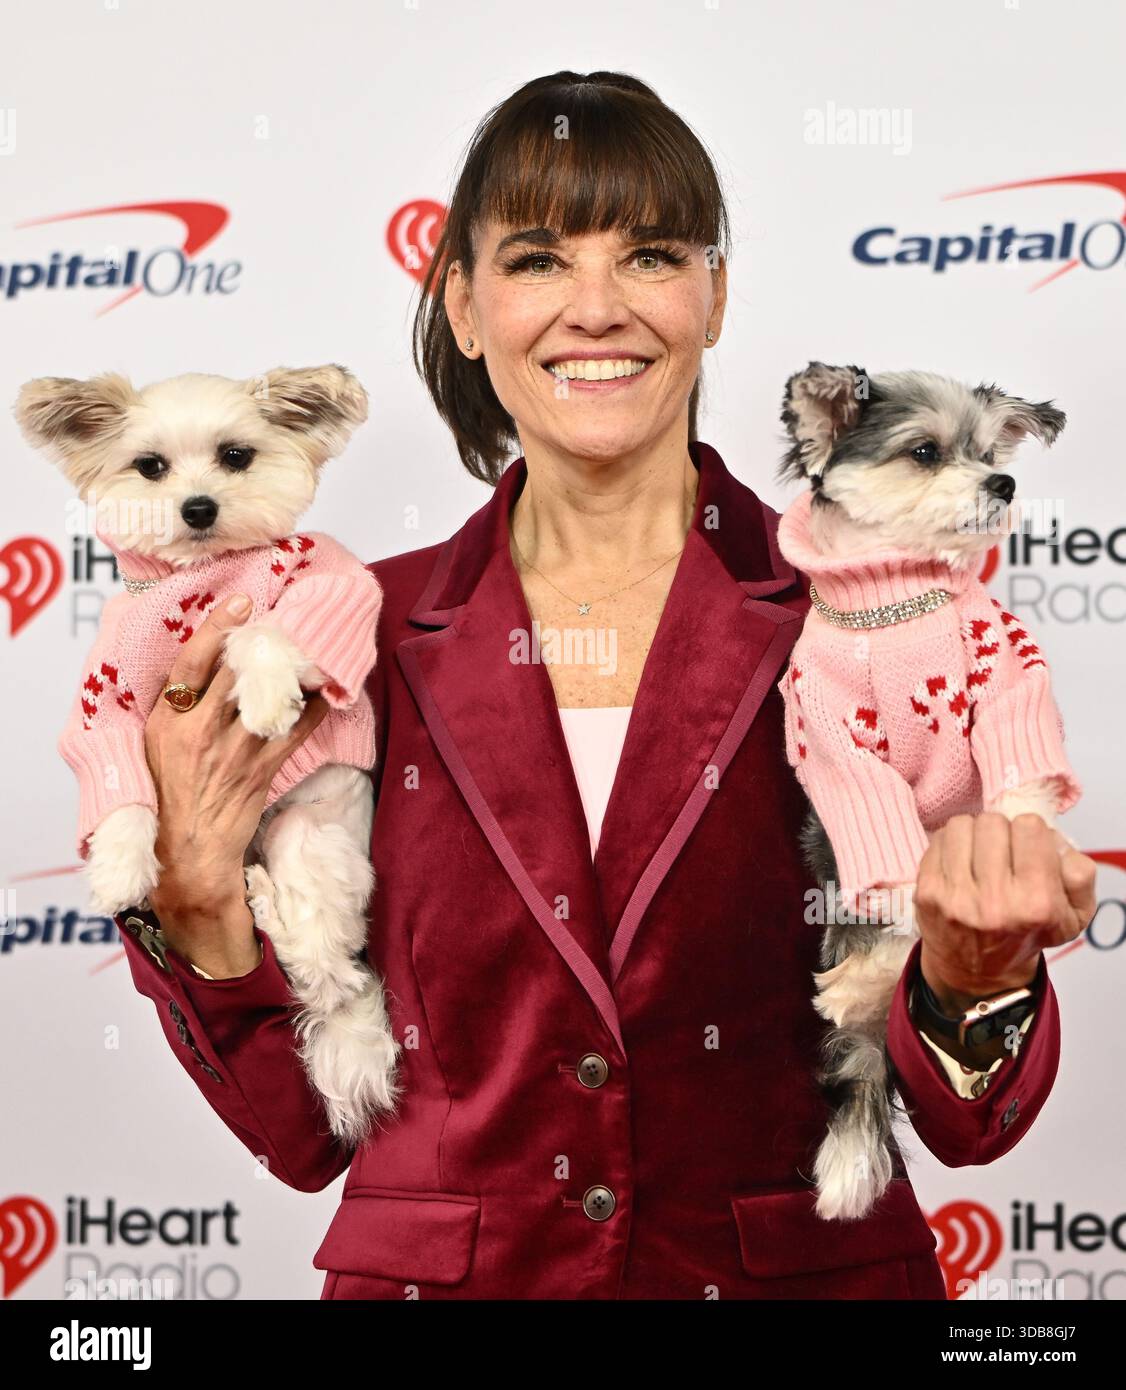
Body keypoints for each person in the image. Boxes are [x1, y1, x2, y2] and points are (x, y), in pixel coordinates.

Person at [110, 70, 1097, 1299]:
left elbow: (968, 1125)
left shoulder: (873, 611)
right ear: (463, 305)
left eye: (647, 254)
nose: (594, 308)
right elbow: (308, 1139)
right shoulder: (339, 630)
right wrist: (199, 900)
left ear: (713, 295)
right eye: (534, 260)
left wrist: (971, 975)